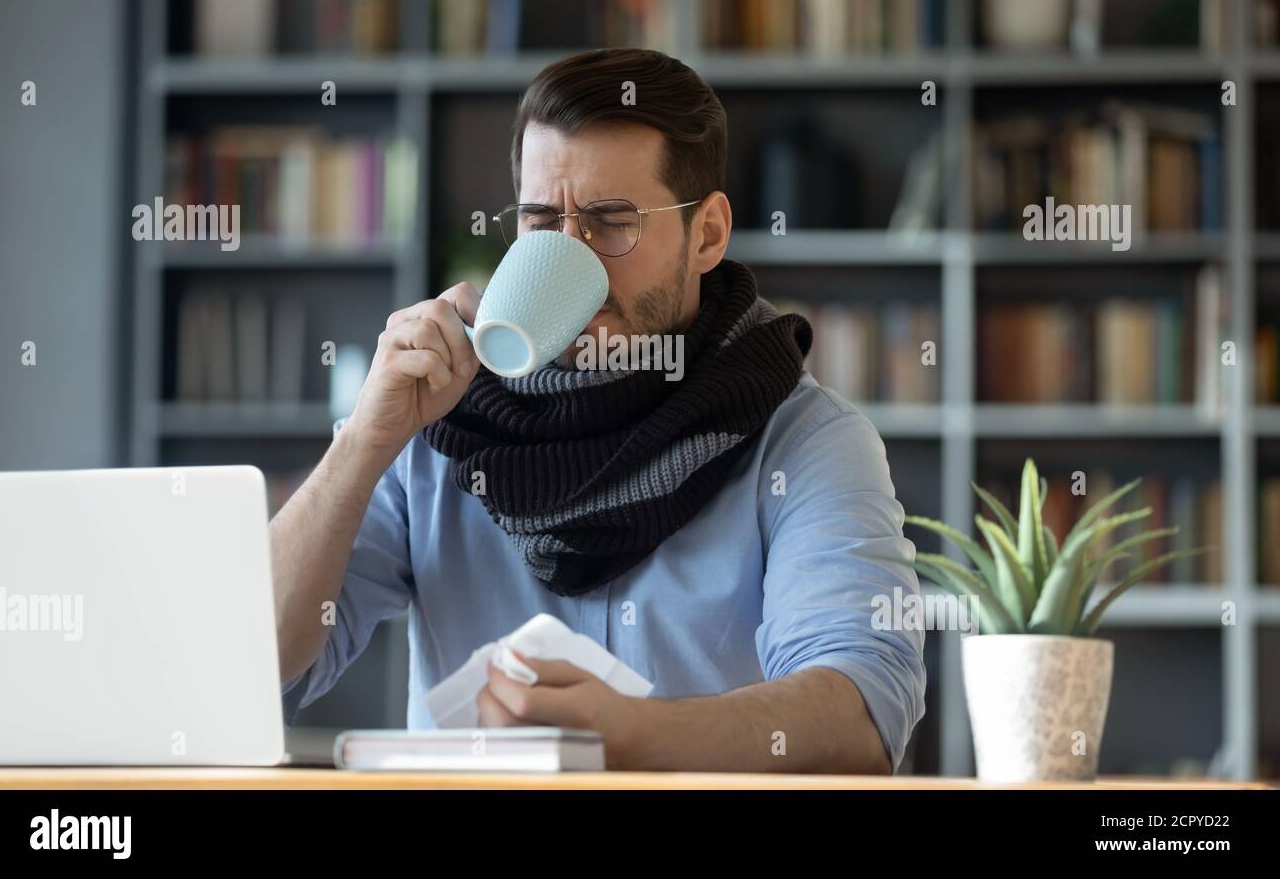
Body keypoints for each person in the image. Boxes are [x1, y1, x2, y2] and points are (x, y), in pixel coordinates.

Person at [272, 47, 926, 774]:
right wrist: (364, 440)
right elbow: (259, 664)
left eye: (613, 221)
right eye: (541, 220)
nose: (570, 253)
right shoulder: (436, 425)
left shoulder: (804, 441)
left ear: (706, 234)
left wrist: (632, 736)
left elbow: (862, 710)